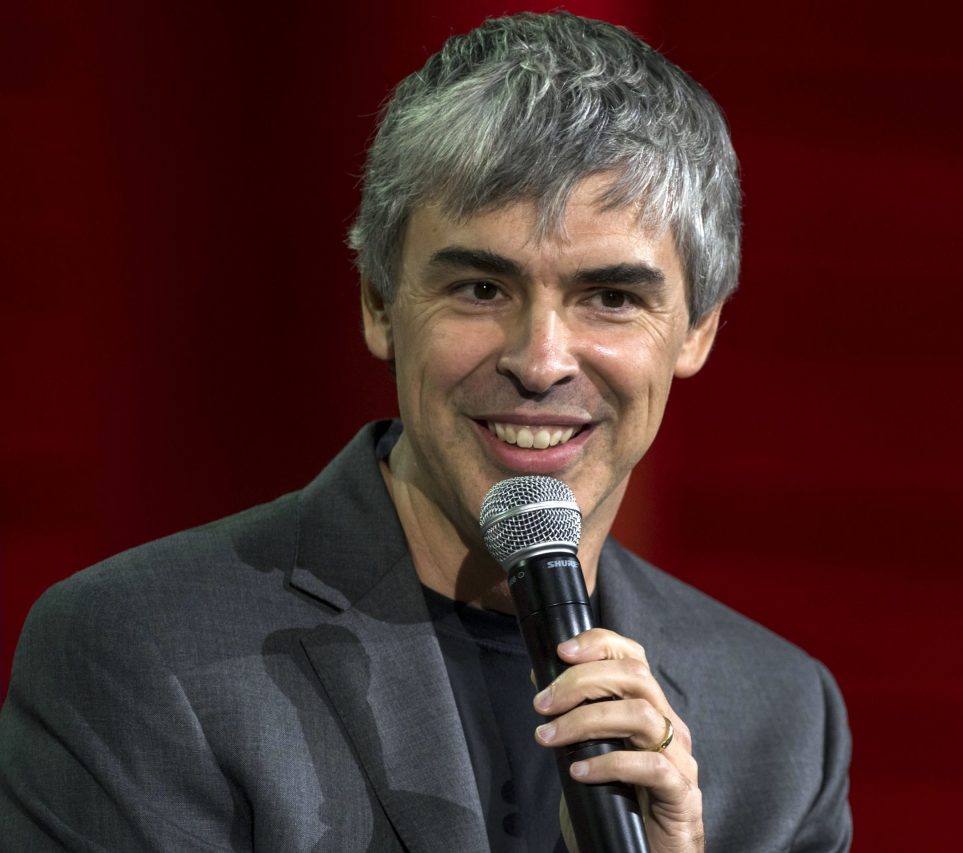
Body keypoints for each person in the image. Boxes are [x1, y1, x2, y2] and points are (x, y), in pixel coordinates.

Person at [0, 12, 851, 852]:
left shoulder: (781, 721)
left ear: (698, 329)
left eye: (611, 297)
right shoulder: (140, 651)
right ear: (380, 303)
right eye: (482, 288)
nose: (541, 361)